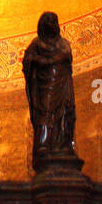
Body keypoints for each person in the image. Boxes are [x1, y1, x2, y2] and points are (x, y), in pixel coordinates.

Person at [22, 12, 77, 164]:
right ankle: (43, 145)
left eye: (54, 21)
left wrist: (45, 60)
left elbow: (66, 56)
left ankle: (64, 145)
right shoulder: (37, 43)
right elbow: (27, 61)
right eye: (49, 22)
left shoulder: (63, 43)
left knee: (65, 114)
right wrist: (39, 61)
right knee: (44, 115)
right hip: (44, 88)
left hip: (62, 84)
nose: (52, 24)